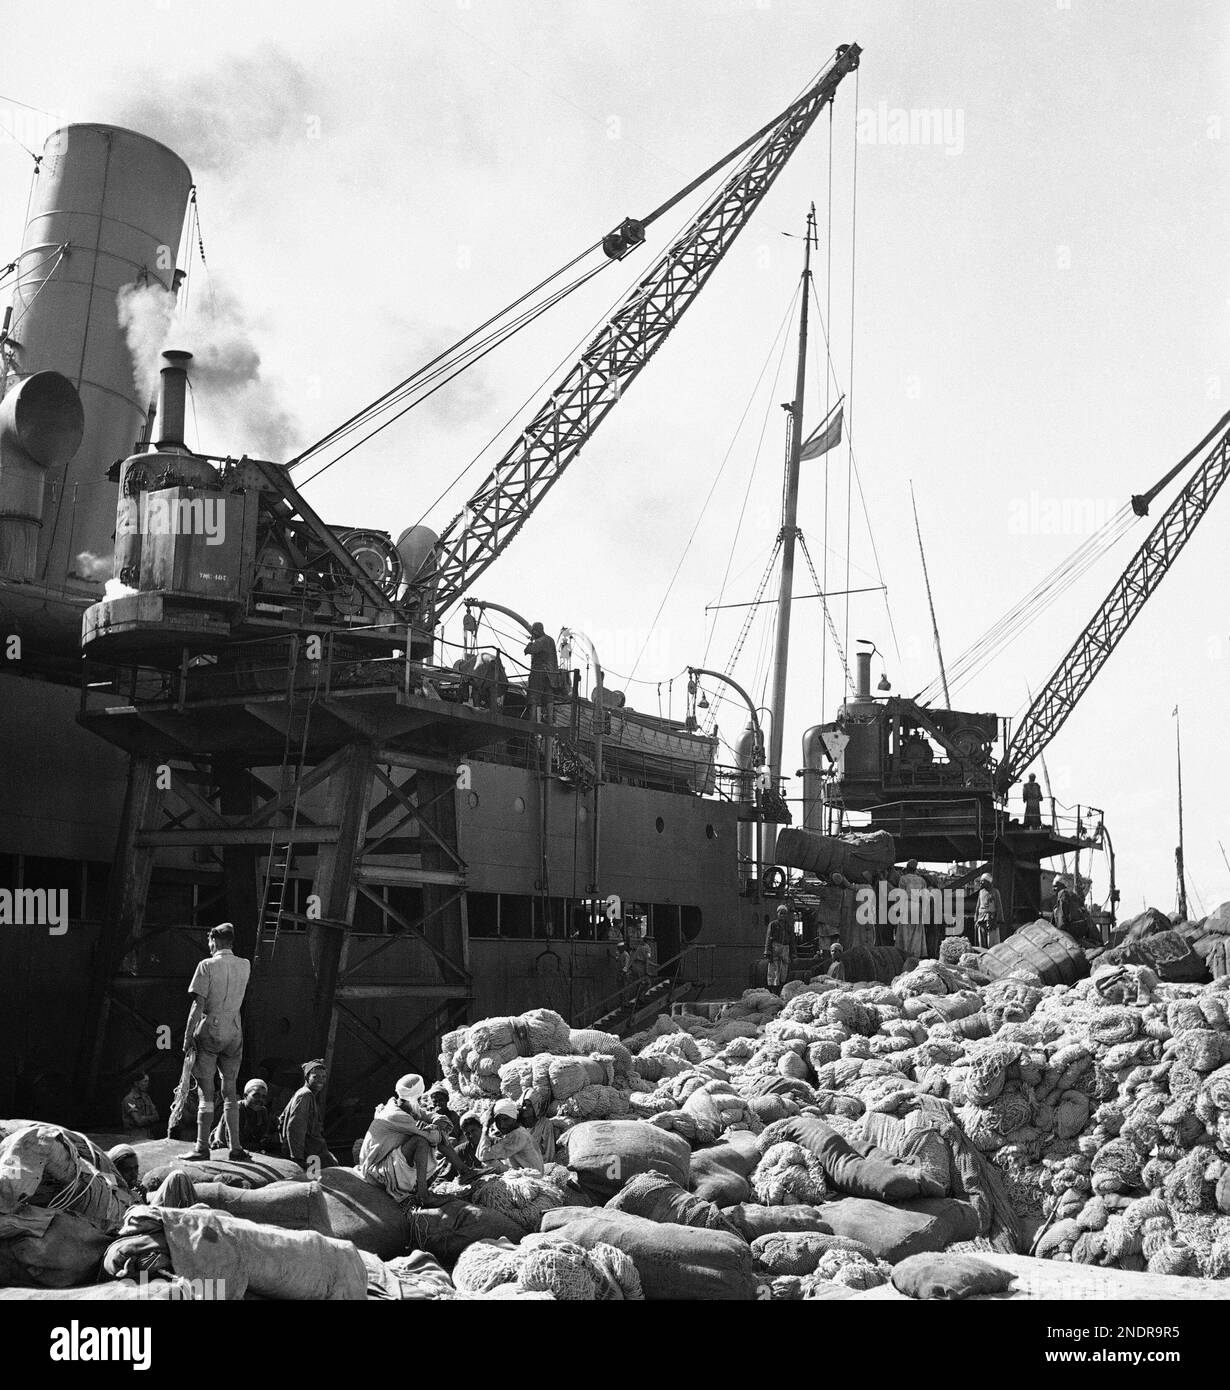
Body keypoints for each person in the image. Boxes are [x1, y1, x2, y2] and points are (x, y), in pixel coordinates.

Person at [183, 923, 251, 1161]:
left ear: (215, 940)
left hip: (210, 1029)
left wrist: (187, 1036)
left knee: (206, 1093)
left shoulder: (206, 966)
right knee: (230, 1090)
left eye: (210, 942)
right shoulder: (245, 965)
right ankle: (236, 1147)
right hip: (234, 1030)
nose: (209, 946)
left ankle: (202, 1147)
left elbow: (197, 1005)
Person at [357, 1073, 473, 1207]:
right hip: (377, 1170)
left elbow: (424, 1114)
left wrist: (436, 1120)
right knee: (421, 1141)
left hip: (387, 1159)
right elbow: (430, 1137)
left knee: (432, 1134)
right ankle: (423, 1195)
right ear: (416, 1096)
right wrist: (437, 1128)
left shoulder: (399, 1103)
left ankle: (465, 1171)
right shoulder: (396, 1115)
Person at [278, 1060, 339, 1170]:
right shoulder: (305, 1095)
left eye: (323, 1077)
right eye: (316, 1077)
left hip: (313, 1149)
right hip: (309, 1153)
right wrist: (298, 1158)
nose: (321, 1080)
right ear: (307, 1078)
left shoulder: (309, 1095)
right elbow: (295, 1127)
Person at [209, 1078, 275, 1154]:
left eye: (263, 1097)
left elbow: (263, 1134)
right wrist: (259, 1145)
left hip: (250, 1144)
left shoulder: (263, 1111)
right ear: (245, 1096)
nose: (260, 1099)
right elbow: (235, 1141)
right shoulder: (236, 1109)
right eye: (256, 1095)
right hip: (227, 1143)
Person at [478, 1098, 545, 1173]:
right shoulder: (517, 1132)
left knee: (488, 1163)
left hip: (532, 1178)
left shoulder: (517, 1135)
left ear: (514, 1118)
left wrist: (486, 1126)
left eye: (505, 1119)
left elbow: (482, 1155)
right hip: (531, 1174)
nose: (502, 1125)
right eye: (497, 1120)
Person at [523, 621, 558, 719]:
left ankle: (533, 724)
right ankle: (550, 722)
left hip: (539, 673)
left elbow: (530, 650)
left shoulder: (540, 641)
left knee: (533, 698)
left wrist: (530, 643)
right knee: (549, 699)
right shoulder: (550, 640)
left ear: (535, 631)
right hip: (550, 675)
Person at [895, 860, 928, 960]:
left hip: (906, 905)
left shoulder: (903, 879)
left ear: (907, 868)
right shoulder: (922, 880)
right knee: (916, 932)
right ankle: (915, 954)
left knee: (905, 931)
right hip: (917, 905)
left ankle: (904, 953)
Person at [1053, 877, 1100, 947]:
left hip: (1073, 940)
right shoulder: (1056, 908)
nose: (1054, 889)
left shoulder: (1064, 896)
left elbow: (1062, 925)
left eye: (1056, 886)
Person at [763, 904, 793, 990]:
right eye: (781, 913)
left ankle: (781, 988)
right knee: (773, 970)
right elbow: (768, 938)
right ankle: (773, 990)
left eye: (784, 914)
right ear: (777, 913)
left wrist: (793, 953)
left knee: (784, 969)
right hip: (775, 948)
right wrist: (767, 951)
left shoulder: (788, 926)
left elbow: (792, 940)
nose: (782, 915)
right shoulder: (773, 924)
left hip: (785, 949)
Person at [121, 1073, 159, 1138]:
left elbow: (157, 1117)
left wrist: (144, 1118)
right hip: (135, 1137)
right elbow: (139, 1121)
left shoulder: (146, 1097)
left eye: (148, 1081)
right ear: (136, 1083)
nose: (147, 1084)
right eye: (145, 1081)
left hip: (149, 1136)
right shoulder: (129, 1099)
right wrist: (150, 1118)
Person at [973, 874, 1005, 949]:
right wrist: (976, 917)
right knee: (982, 940)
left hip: (991, 919)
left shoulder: (995, 892)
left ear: (988, 882)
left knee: (992, 941)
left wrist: (998, 920)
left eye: (982, 881)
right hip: (981, 919)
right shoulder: (981, 892)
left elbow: (999, 906)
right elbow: (978, 906)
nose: (980, 883)